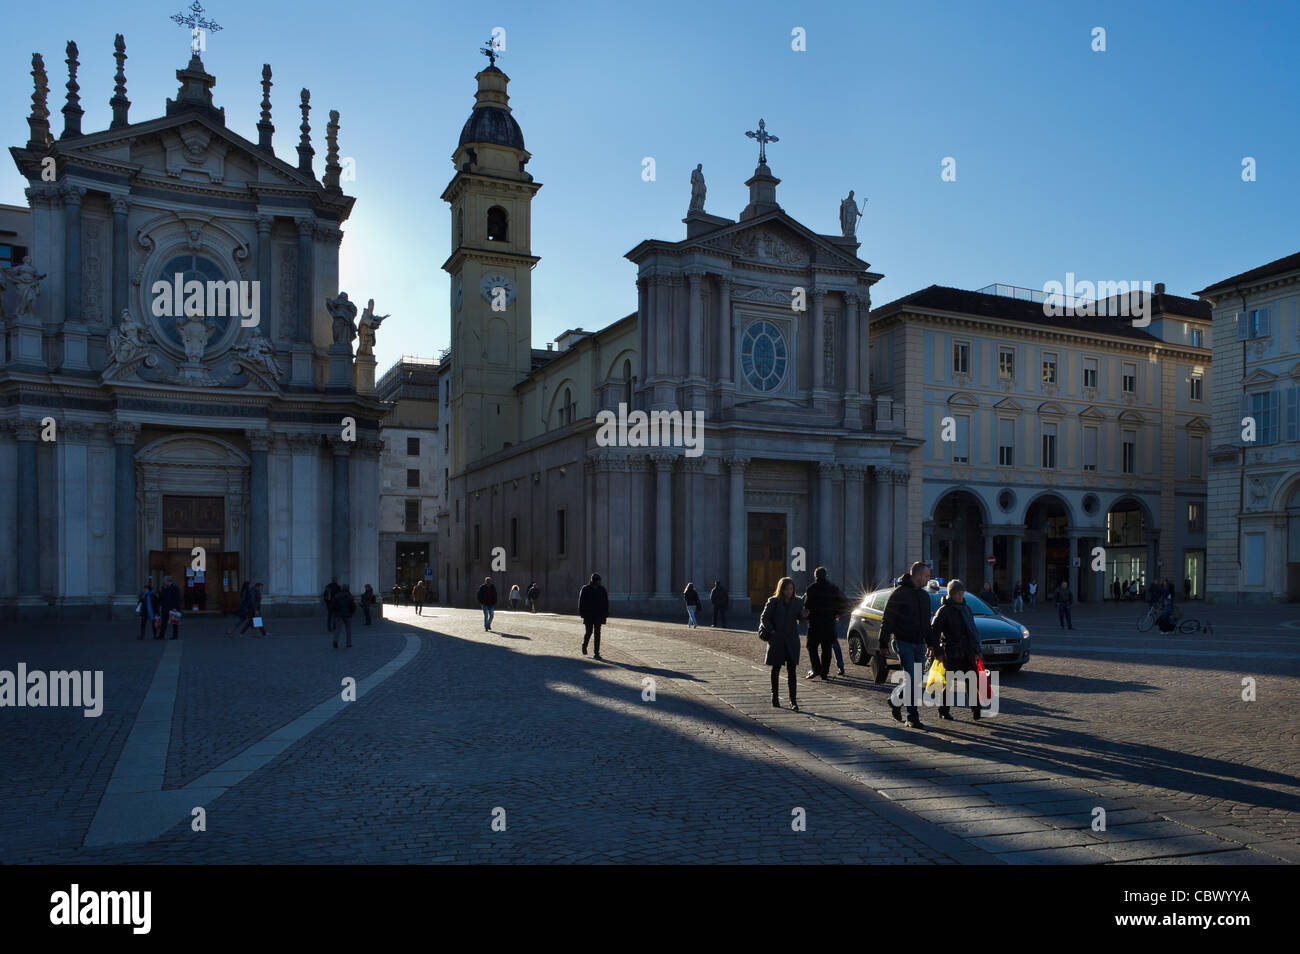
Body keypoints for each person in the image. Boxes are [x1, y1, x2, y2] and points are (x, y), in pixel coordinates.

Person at [880, 561, 935, 729]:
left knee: (916, 681)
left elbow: (927, 623)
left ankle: (896, 701)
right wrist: (883, 643)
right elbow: (888, 619)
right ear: (917, 575)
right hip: (902, 642)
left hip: (919, 644)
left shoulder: (924, 596)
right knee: (913, 679)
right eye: (926, 576)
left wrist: (931, 643)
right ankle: (912, 717)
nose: (928, 579)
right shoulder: (899, 593)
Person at [929, 579, 985, 721]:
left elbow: (973, 630)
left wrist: (977, 650)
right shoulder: (944, 611)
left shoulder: (966, 609)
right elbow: (934, 632)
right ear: (951, 594)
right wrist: (938, 652)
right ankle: (943, 711)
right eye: (957, 593)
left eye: (962, 593)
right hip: (951, 653)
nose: (960, 596)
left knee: (972, 681)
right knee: (948, 684)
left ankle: (976, 711)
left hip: (967, 652)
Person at [760, 577, 806, 711]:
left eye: (791, 589)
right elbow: (764, 618)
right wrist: (772, 631)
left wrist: (803, 616)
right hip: (777, 639)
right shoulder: (773, 601)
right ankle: (775, 697)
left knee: (792, 671)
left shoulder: (798, 602)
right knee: (776, 669)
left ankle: (793, 701)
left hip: (792, 640)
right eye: (786, 589)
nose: (789, 592)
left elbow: (800, 620)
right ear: (781, 589)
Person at [802, 566, 848, 680]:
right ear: (826, 575)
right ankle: (824, 672)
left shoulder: (811, 588)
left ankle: (816, 668)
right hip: (829, 622)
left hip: (815, 623)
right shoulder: (833, 588)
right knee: (826, 648)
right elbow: (843, 602)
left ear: (815, 576)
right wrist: (838, 613)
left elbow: (807, 606)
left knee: (811, 647)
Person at [578, 572, 609, 659]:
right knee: (589, 632)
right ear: (594, 581)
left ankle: (596, 653)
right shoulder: (585, 589)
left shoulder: (602, 589)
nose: (599, 582)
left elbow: (605, 602)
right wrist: (582, 613)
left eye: (600, 581)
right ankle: (584, 645)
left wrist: (606, 614)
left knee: (597, 634)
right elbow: (581, 601)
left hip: (598, 615)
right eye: (598, 580)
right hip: (588, 615)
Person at [331, 584, 356, 648]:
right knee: (348, 629)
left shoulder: (336, 595)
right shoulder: (349, 596)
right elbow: (353, 606)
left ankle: (335, 640)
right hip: (347, 615)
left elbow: (333, 605)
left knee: (338, 629)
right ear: (347, 589)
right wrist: (352, 612)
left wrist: (335, 612)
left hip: (338, 615)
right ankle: (348, 643)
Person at [159, 574, 181, 640]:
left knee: (174, 622)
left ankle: (175, 636)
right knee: (163, 622)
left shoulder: (175, 588)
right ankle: (161, 636)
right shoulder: (163, 588)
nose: (163, 582)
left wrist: (175, 607)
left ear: (167, 581)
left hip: (172, 608)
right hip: (165, 608)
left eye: (164, 580)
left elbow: (177, 598)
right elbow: (162, 598)